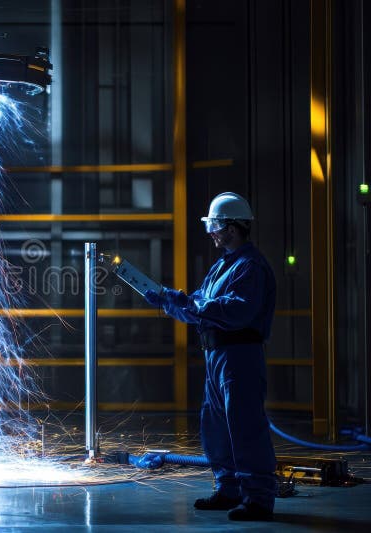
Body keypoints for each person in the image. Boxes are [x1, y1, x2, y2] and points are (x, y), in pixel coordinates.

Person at [144, 192, 277, 522]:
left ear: (232, 228)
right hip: (218, 357)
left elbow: (235, 311)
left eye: (215, 225)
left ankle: (258, 498)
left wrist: (190, 305)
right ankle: (229, 488)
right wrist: (169, 301)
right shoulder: (224, 266)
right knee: (216, 426)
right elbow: (199, 304)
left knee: (244, 426)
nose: (212, 232)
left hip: (239, 356)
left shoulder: (250, 267)